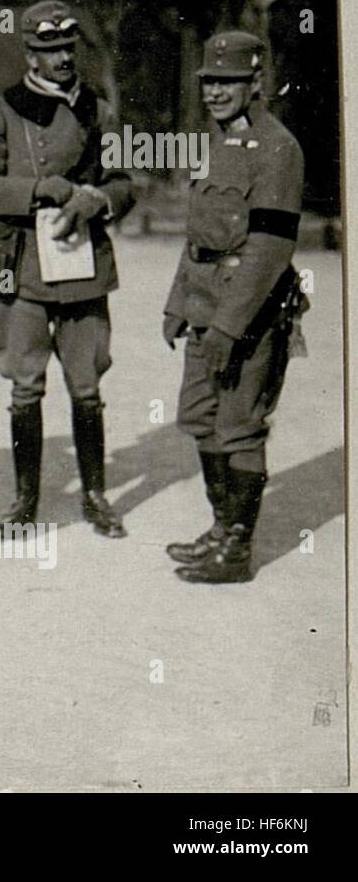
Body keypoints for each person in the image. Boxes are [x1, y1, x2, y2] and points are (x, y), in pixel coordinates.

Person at [0, 0, 135, 536]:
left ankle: (96, 495)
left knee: (87, 386)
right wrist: (38, 189)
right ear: (30, 54)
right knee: (25, 387)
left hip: (81, 263)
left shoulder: (99, 109)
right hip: (23, 267)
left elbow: (126, 181)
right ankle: (25, 501)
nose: (61, 57)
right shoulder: (2, 111)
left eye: (67, 47)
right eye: (48, 48)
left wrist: (97, 201)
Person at [162, 31, 306, 584]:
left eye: (228, 82)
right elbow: (198, 237)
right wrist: (178, 303)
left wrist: (227, 324)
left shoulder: (278, 148)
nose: (216, 92)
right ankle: (221, 529)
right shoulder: (216, 142)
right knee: (201, 418)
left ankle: (237, 550)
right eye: (209, 83)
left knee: (240, 425)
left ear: (255, 84)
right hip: (203, 308)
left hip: (247, 316)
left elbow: (269, 248)